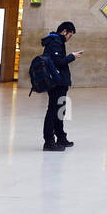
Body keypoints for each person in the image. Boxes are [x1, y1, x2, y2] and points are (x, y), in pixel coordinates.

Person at [41, 21, 80, 151]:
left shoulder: (57, 42)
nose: (69, 38)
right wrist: (72, 57)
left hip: (60, 83)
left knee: (60, 111)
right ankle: (49, 141)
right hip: (56, 84)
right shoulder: (55, 42)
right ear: (64, 31)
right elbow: (59, 62)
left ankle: (61, 137)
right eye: (70, 35)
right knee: (53, 111)